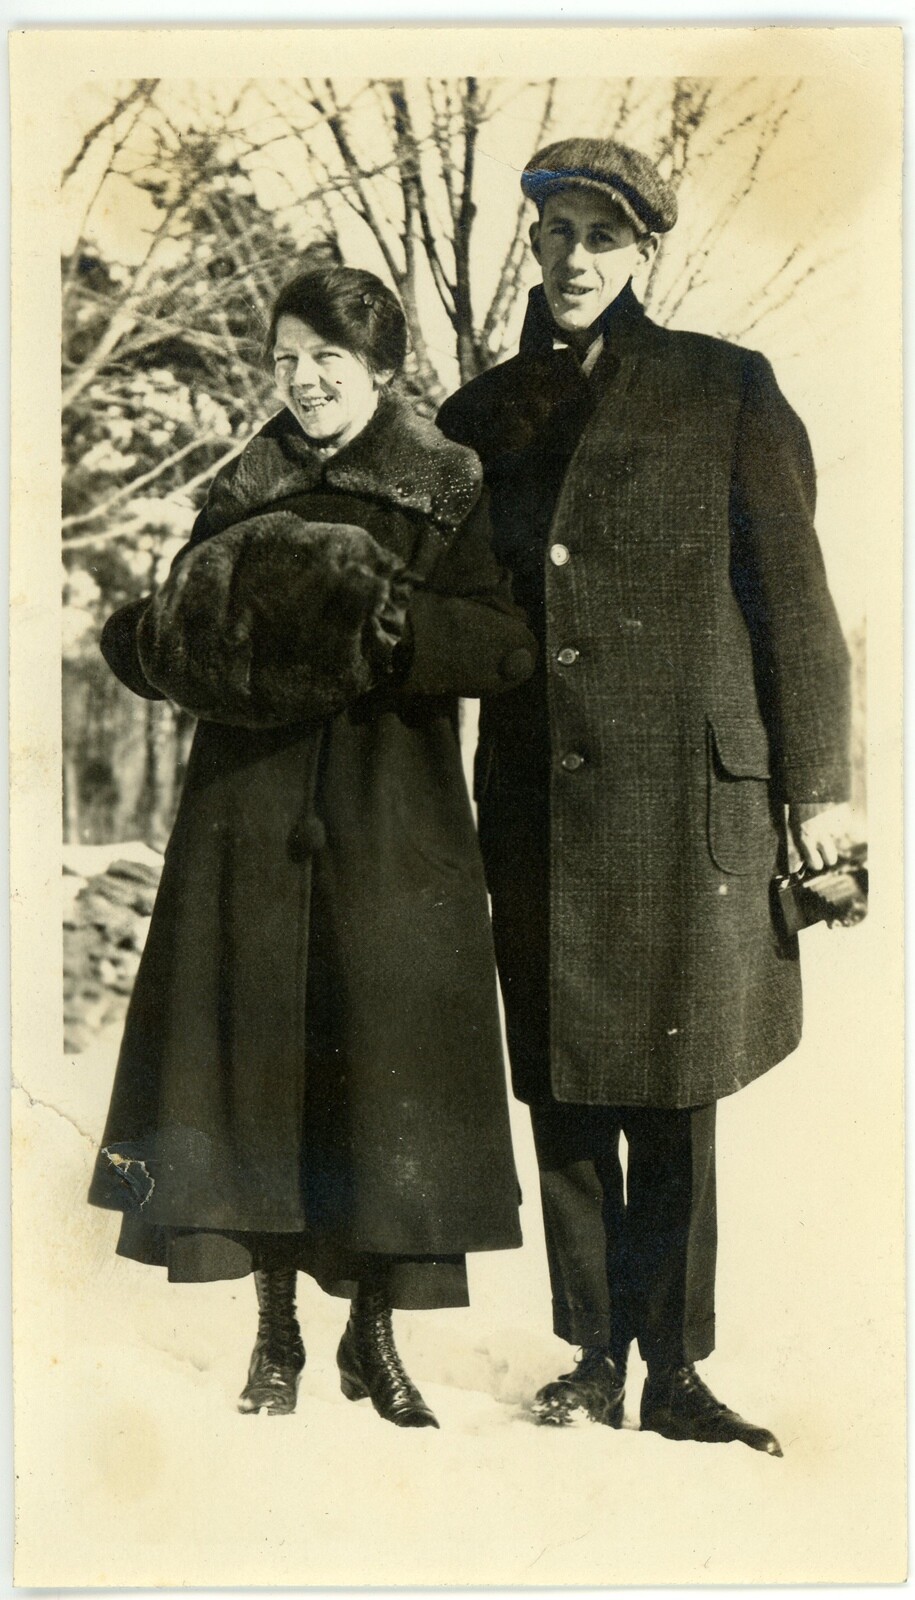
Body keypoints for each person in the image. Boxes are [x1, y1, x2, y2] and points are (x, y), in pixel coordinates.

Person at [437, 137, 851, 1455]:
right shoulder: (481, 415)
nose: (571, 260)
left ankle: (671, 1368)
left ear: (640, 253)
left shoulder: (722, 389)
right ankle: (588, 1357)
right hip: (536, 794)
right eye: (554, 234)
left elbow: (793, 603)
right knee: (559, 1083)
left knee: (670, 1092)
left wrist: (817, 796)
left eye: (598, 238)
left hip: (682, 801)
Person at [89, 264, 537, 1430]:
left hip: (392, 826)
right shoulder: (240, 489)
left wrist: (378, 623)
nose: (302, 382)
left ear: (382, 371)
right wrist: (169, 636)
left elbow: (502, 647)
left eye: (327, 363)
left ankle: (371, 1338)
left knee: (382, 1070)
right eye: (285, 362)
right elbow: (158, 636)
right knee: (261, 1070)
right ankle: (275, 1332)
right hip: (246, 820)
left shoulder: (444, 486)